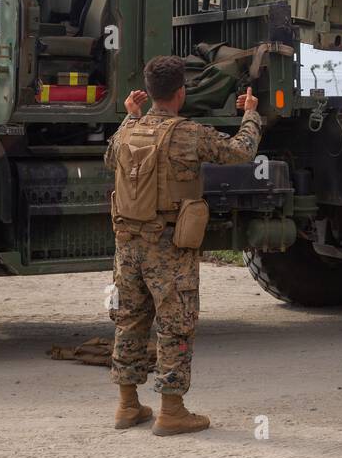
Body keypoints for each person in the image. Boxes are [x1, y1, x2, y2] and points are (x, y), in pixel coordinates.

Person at [105, 55, 262, 435]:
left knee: (130, 320)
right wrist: (252, 116)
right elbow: (240, 152)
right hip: (169, 247)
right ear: (181, 92)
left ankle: (127, 406)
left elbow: (110, 157)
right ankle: (171, 411)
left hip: (128, 245)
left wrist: (130, 115)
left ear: (150, 91)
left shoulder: (128, 130)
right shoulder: (187, 133)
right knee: (176, 325)